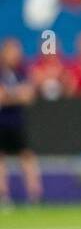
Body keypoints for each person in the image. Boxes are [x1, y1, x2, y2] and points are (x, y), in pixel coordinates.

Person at [0, 38, 42, 208]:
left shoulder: (21, 72)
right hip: (1, 122)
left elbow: (29, 95)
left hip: (16, 122)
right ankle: (3, 196)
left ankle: (35, 196)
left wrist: (10, 95)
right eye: (11, 51)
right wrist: (17, 95)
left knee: (27, 157)